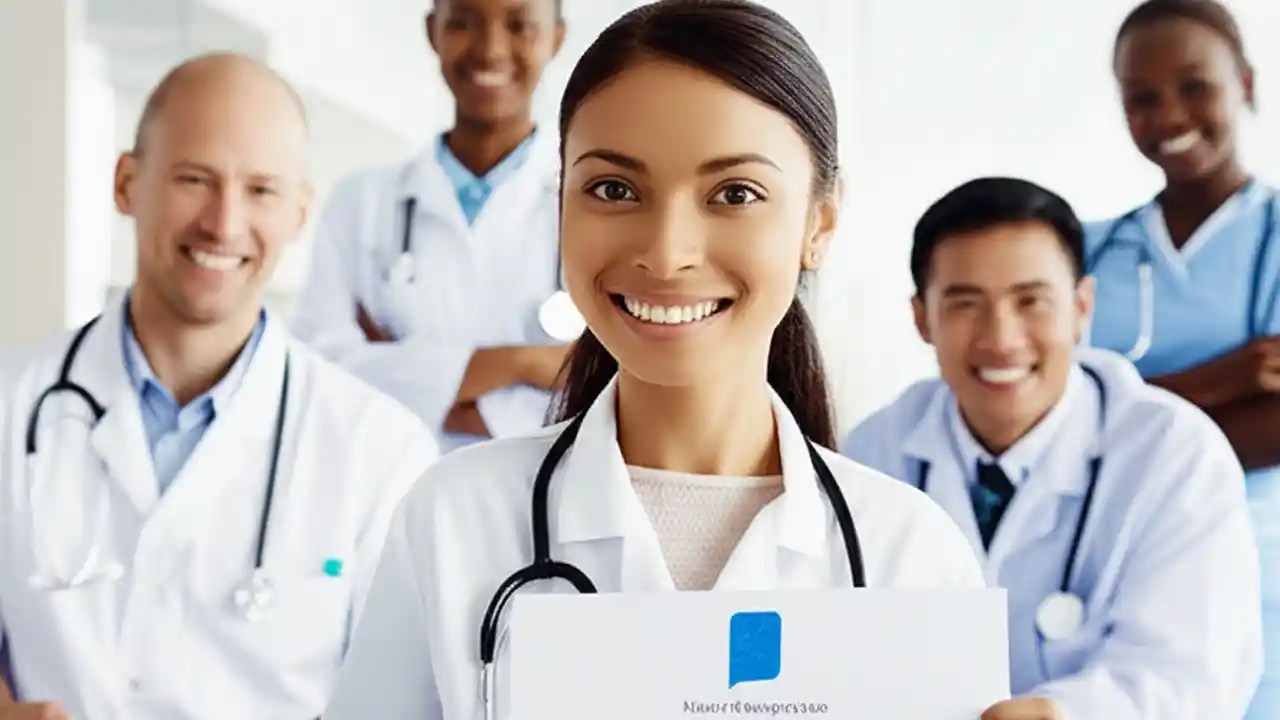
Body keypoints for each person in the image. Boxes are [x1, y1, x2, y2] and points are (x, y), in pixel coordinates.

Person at [324, 2, 987, 717]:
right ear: (562, 206)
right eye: (614, 189)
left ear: (818, 224)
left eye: (735, 194)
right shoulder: (452, 520)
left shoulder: (912, 556)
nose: (668, 253)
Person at [0, 54, 437, 719]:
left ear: (298, 212)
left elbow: (402, 703)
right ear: (126, 184)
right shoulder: (12, 399)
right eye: (194, 179)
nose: (223, 222)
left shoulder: (381, 452)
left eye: (261, 189)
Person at [844, 177, 1261, 719]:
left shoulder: (1175, 454)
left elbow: (1189, 676)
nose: (1002, 337)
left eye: (1031, 301)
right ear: (922, 317)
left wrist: (1059, 714)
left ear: (1082, 307)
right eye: (965, 303)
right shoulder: (874, 450)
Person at [1084, 1, 1280, 714]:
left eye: (1194, 85)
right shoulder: (1085, 248)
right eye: (1142, 97)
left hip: (1257, 577)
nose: (1169, 114)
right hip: (1103, 573)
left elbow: (1273, 433)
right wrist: (1222, 378)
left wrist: (1116, 412)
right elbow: (1049, 419)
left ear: (1247, 84)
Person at [291, 0, 573, 454]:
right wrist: (524, 363)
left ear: (557, 37)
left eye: (519, 25)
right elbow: (317, 366)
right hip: (387, 487)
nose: (490, 49)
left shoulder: (589, 203)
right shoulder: (361, 203)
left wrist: (401, 376)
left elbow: (609, 384)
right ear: (432, 31)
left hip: (535, 495)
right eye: (463, 22)